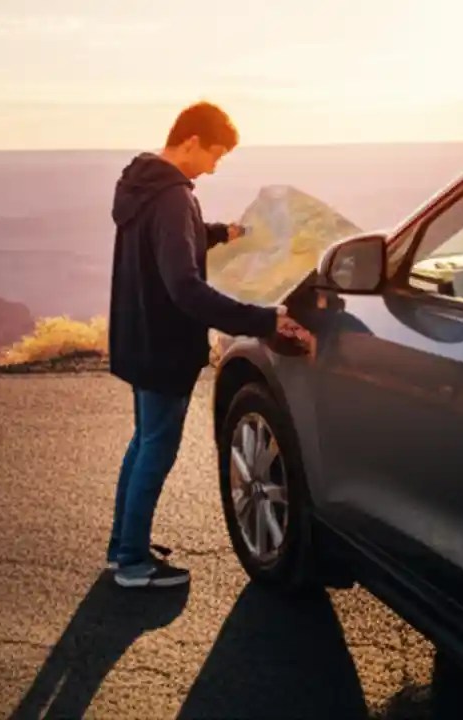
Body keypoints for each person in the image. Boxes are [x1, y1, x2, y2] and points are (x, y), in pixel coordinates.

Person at [105, 101, 310, 589]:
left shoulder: (141, 185)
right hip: (164, 347)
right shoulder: (174, 196)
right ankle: (132, 563)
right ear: (192, 141)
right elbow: (185, 288)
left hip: (136, 338)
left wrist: (221, 233)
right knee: (156, 447)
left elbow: (167, 241)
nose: (215, 166)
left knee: (142, 443)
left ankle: (122, 547)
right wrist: (262, 319)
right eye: (215, 154)